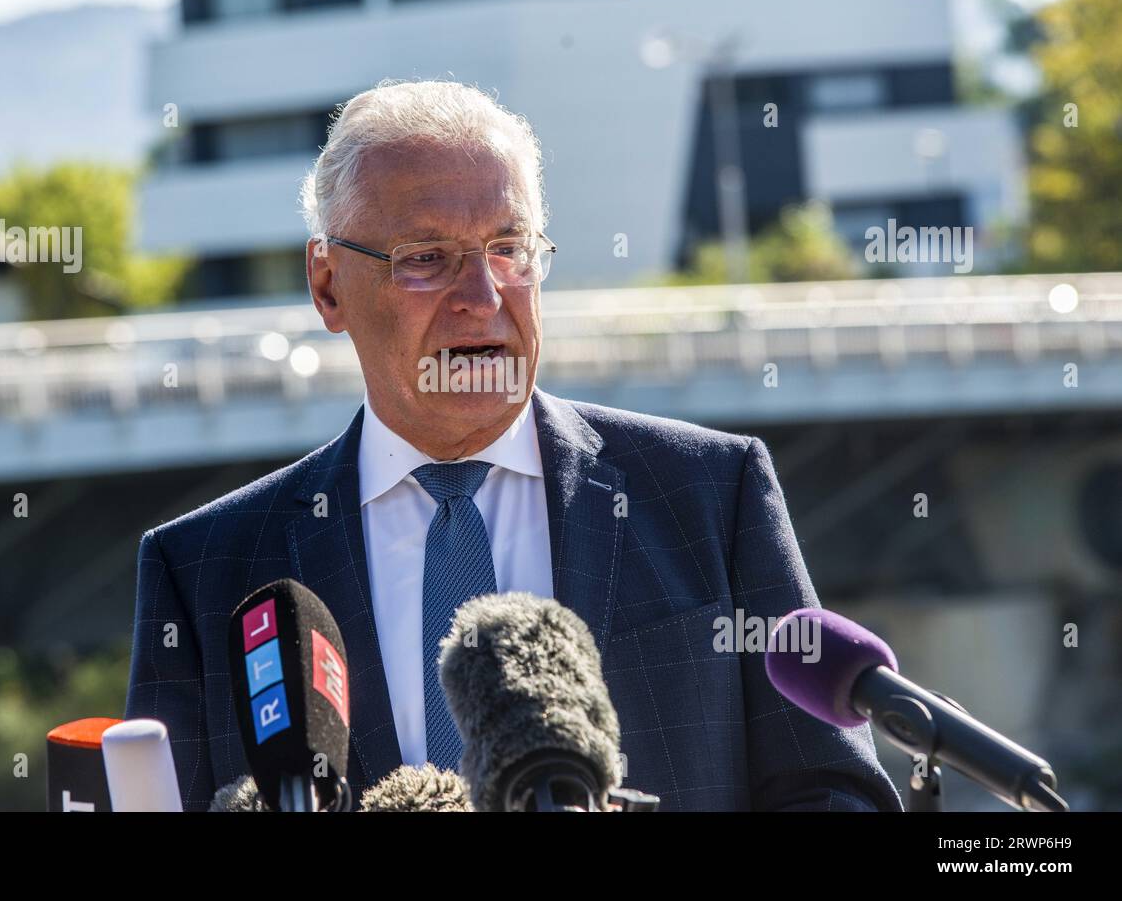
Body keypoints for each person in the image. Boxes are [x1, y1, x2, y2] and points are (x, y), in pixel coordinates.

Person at [125, 79, 901, 812]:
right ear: (328, 284)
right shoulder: (203, 571)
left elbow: (833, 792)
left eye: (509, 248)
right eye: (426, 258)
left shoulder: (710, 493)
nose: (484, 297)